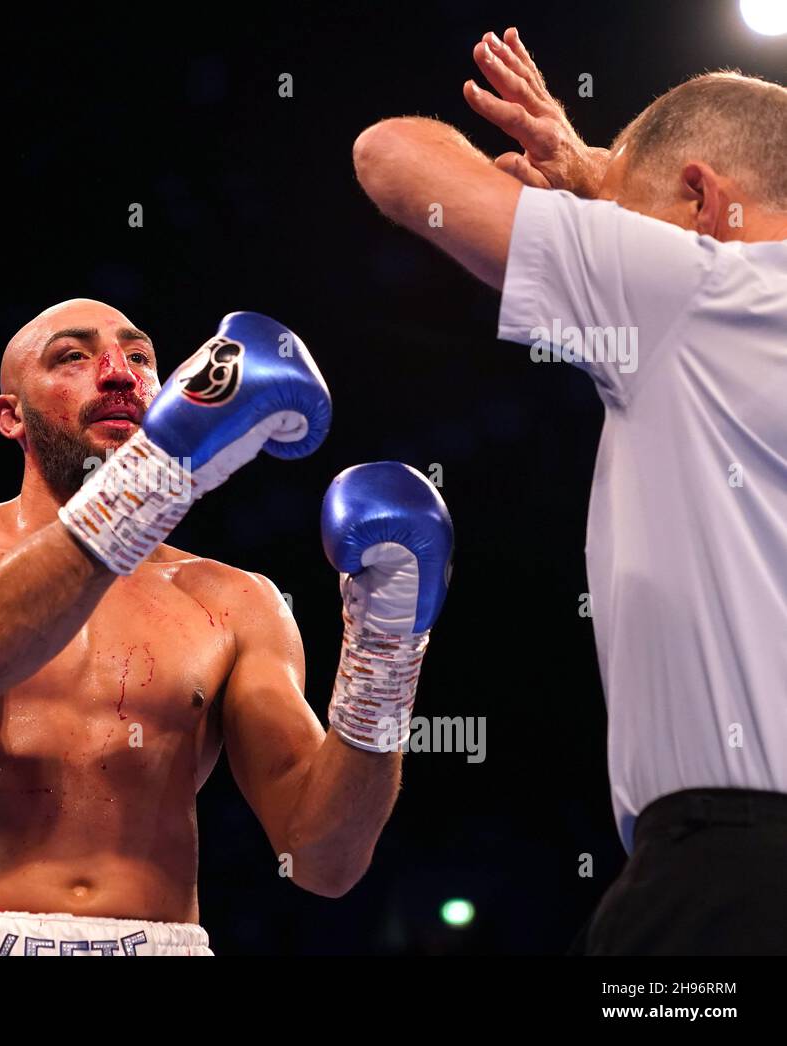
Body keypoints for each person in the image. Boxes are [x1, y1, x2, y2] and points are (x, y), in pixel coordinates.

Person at [353, 27, 787, 955]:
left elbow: (391, 155)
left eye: (631, 213)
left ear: (704, 199)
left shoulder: (704, 290)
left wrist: (595, 174)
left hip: (731, 883)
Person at [0, 298, 452, 955]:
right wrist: (160, 472)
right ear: (10, 416)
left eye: (140, 357)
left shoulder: (234, 600)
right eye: (73, 357)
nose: (117, 373)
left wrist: (386, 656)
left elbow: (323, 860)